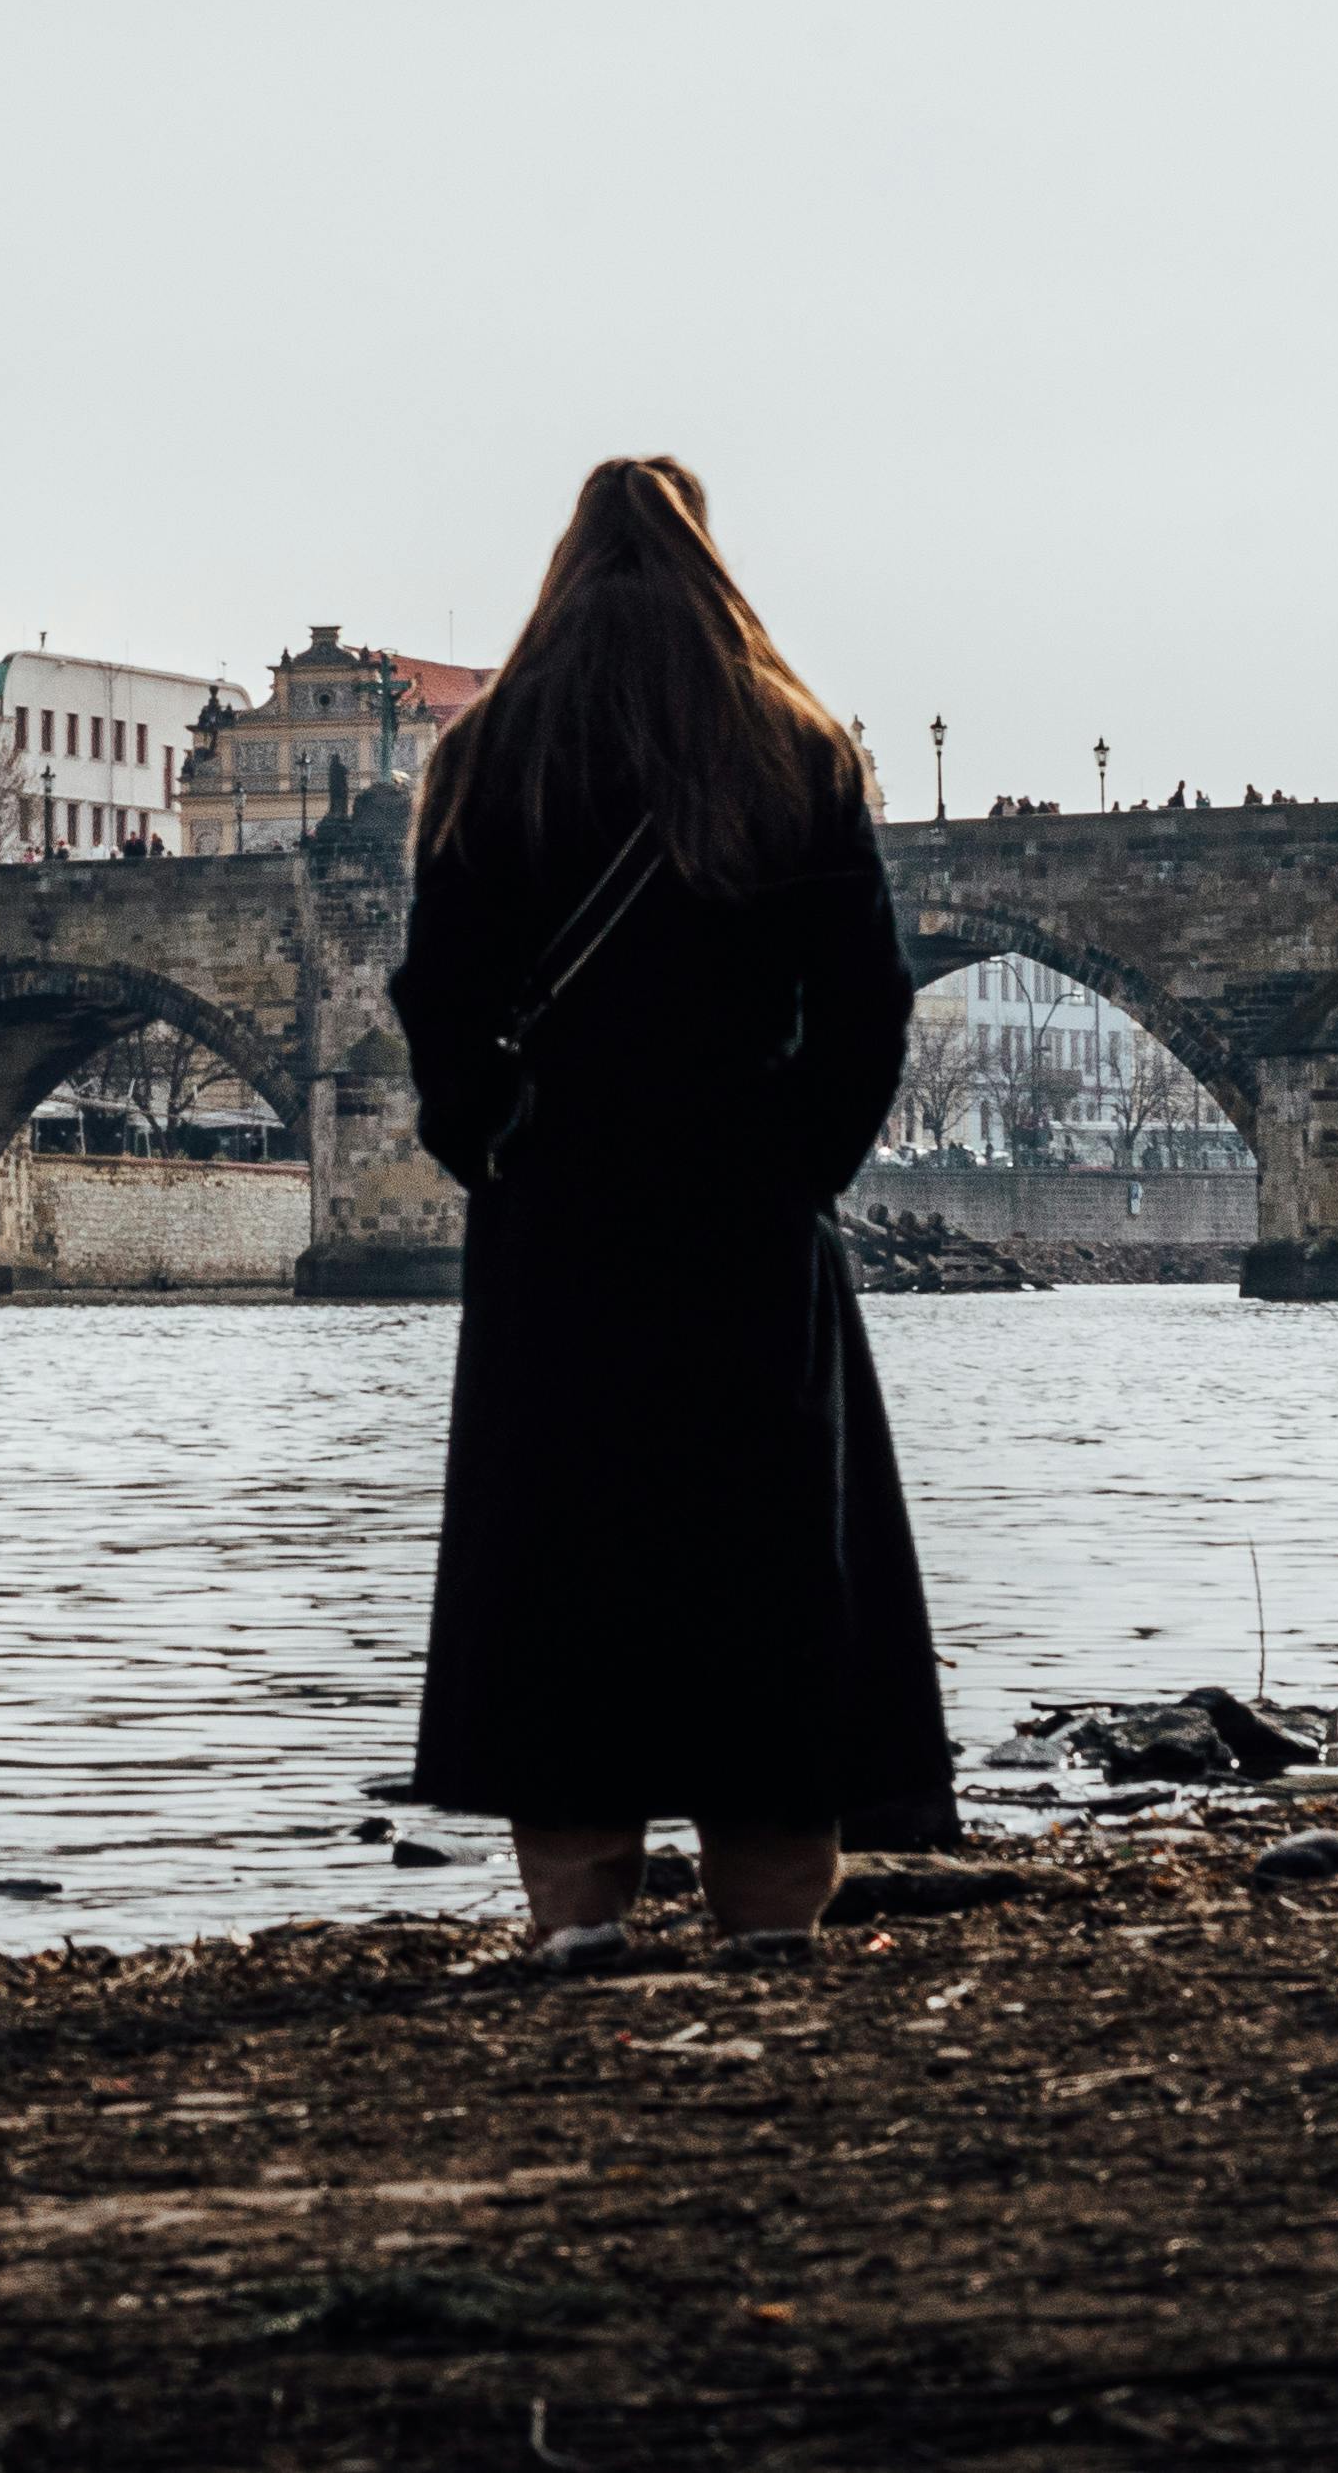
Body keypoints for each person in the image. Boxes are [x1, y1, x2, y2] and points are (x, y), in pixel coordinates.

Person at [391, 453, 950, 1943]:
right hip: (742, 1207)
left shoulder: (489, 754)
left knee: (563, 1550)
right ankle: (770, 1908)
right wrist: (801, 1159)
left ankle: (579, 1912)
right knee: (764, 1554)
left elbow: (437, 999)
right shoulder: (795, 750)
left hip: (561, 1204)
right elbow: (867, 1005)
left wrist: (492, 1144)